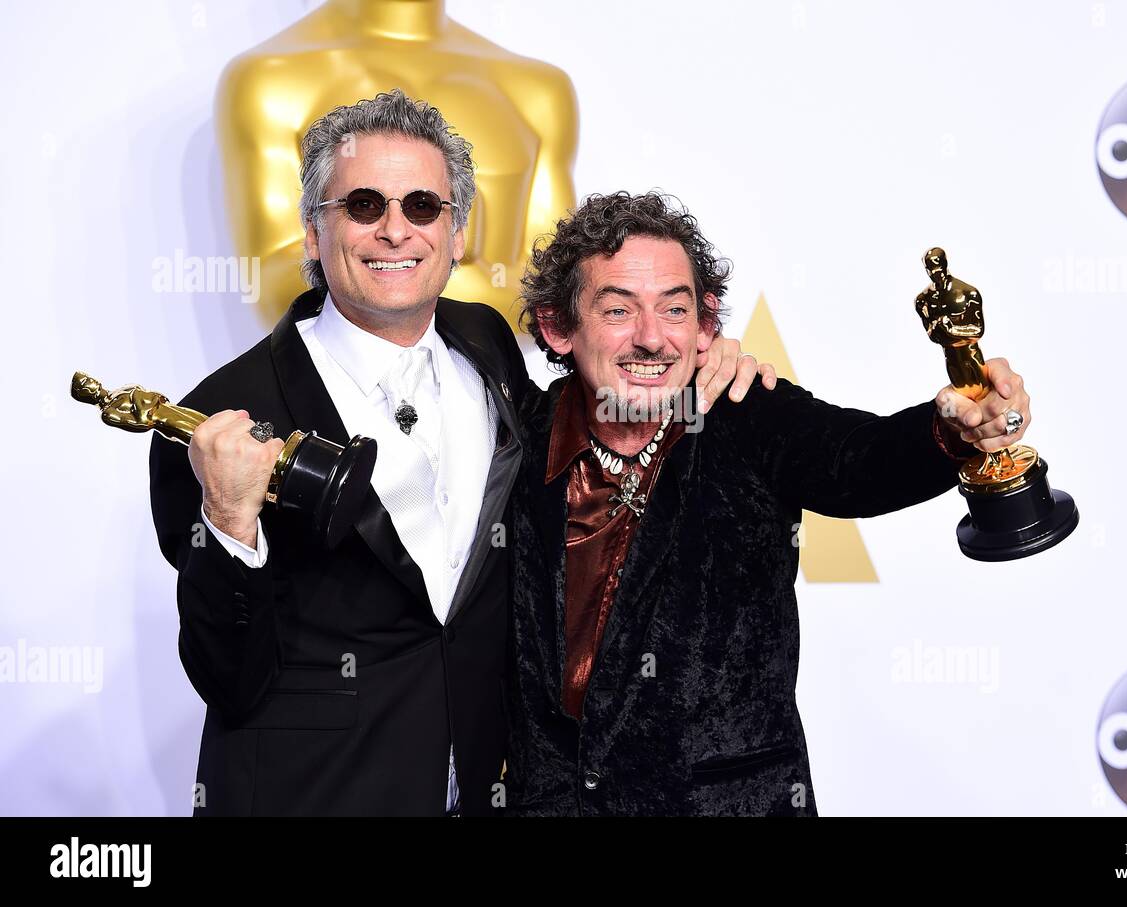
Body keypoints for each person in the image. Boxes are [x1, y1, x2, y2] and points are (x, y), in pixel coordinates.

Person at [148, 93, 770, 816]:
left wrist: (697, 357)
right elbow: (228, 679)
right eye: (361, 205)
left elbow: (590, 418)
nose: (393, 230)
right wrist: (228, 515)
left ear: (457, 232)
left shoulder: (486, 345)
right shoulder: (219, 415)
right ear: (314, 233)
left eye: (421, 205)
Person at [504, 191, 1033, 816]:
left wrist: (952, 426)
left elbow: (856, 460)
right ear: (557, 327)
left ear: (705, 327)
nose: (652, 339)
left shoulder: (747, 416)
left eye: (675, 311)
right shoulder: (508, 441)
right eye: (618, 310)